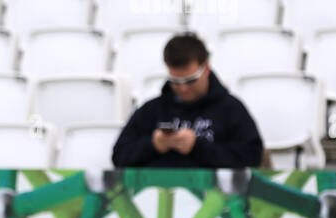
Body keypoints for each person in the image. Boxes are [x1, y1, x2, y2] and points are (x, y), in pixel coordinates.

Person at [111, 33, 264, 168]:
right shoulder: (152, 110)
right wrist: (153, 145)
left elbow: (252, 158)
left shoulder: (231, 109)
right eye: (175, 81)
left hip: (214, 196)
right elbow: (119, 156)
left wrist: (197, 147)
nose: (183, 88)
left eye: (190, 80)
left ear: (206, 69)